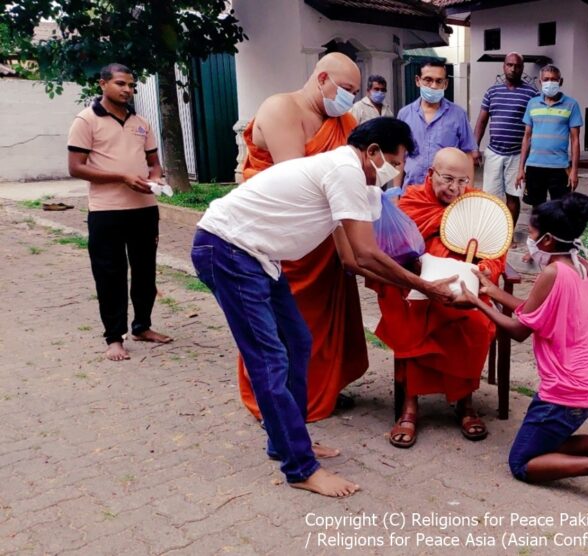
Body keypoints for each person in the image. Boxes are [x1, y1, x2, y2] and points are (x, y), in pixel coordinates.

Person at [191, 118, 457, 498]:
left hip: (258, 257)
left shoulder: (358, 186)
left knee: (298, 343)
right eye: (395, 162)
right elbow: (366, 253)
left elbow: (352, 261)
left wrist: (420, 283)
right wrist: (426, 287)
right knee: (270, 359)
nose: (396, 172)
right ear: (373, 152)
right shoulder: (345, 169)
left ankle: (285, 441)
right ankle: (299, 467)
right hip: (227, 249)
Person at [459, 193, 588, 510]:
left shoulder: (552, 273)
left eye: (532, 235)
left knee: (523, 462)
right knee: (551, 443)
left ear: (547, 240)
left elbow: (520, 330)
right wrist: (492, 291)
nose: (529, 241)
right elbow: (534, 312)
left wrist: (477, 303)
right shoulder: (582, 266)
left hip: (565, 390)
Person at [238, 52, 368, 424]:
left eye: (354, 92)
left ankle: (321, 390)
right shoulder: (282, 108)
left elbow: (356, 176)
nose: (349, 97)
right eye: (345, 89)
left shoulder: (345, 119)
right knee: (282, 324)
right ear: (322, 78)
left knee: (325, 322)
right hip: (285, 238)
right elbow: (296, 186)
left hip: (327, 241)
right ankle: (278, 401)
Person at [372, 148, 506, 448]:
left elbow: (495, 253)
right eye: (447, 179)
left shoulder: (477, 206)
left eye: (463, 181)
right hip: (417, 289)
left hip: (462, 291)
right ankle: (410, 406)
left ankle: (465, 402)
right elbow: (391, 250)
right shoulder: (411, 203)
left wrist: (482, 270)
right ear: (431, 174)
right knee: (411, 318)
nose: (455, 189)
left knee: (474, 322)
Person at [67, 63, 173, 362]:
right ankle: (114, 337)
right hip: (107, 211)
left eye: (131, 85)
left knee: (145, 271)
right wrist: (122, 177)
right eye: (120, 84)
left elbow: (154, 162)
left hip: (144, 209)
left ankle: (142, 326)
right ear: (102, 84)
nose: (127, 89)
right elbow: (76, 167)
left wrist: (155, 178)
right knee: (110, 275)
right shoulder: (86, 120)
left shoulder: (141, 122)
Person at [474, 53, 537, 232]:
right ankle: (492, 233)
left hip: (518, 154)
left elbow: (535, 125)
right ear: (503, 66)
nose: (513, 69)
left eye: (517, 66)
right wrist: (475, 147)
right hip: (494, 152)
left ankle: (508, 235)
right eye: (509, 65)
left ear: (522, 68)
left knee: (513, 196)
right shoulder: (492, 92)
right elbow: (482, 121)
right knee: (491, 197)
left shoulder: (532, 94)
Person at [397, 61, 478, 188]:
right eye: (428, 80)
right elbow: (399, 157)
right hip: (412, 191)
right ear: (418, 81)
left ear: (445, 84)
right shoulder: (405, 114)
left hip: (446, 192)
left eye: (439, 81)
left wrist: (468, 193)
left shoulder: (458, 115)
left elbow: (467, 156)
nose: (434, 86)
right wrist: (396, 193)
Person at [516, 65, 583, 209]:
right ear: (540, 82)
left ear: (561, 81)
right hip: (534, 166)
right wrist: (521, 168)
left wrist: (574, 171)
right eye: (546, 79)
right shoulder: (532, 104)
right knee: (537, 208)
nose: (550, 82)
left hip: (560, 167)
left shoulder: (571, 105)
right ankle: (540, 233)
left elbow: (575, 140)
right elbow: (527, 137)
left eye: (554, 79)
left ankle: (556, 233)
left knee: (560, 209)